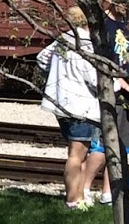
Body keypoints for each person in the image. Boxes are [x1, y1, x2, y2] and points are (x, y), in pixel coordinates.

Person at [37, 13, 104, 210]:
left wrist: (57, 75)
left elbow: (42, 59)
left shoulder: (62, 40)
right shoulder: (84, 45)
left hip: (61, 104)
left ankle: (79, 197)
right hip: (80, 106)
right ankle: (72, 200)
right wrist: (116, 85)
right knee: (76, 155)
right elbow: (94, 78)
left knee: (79, 154)